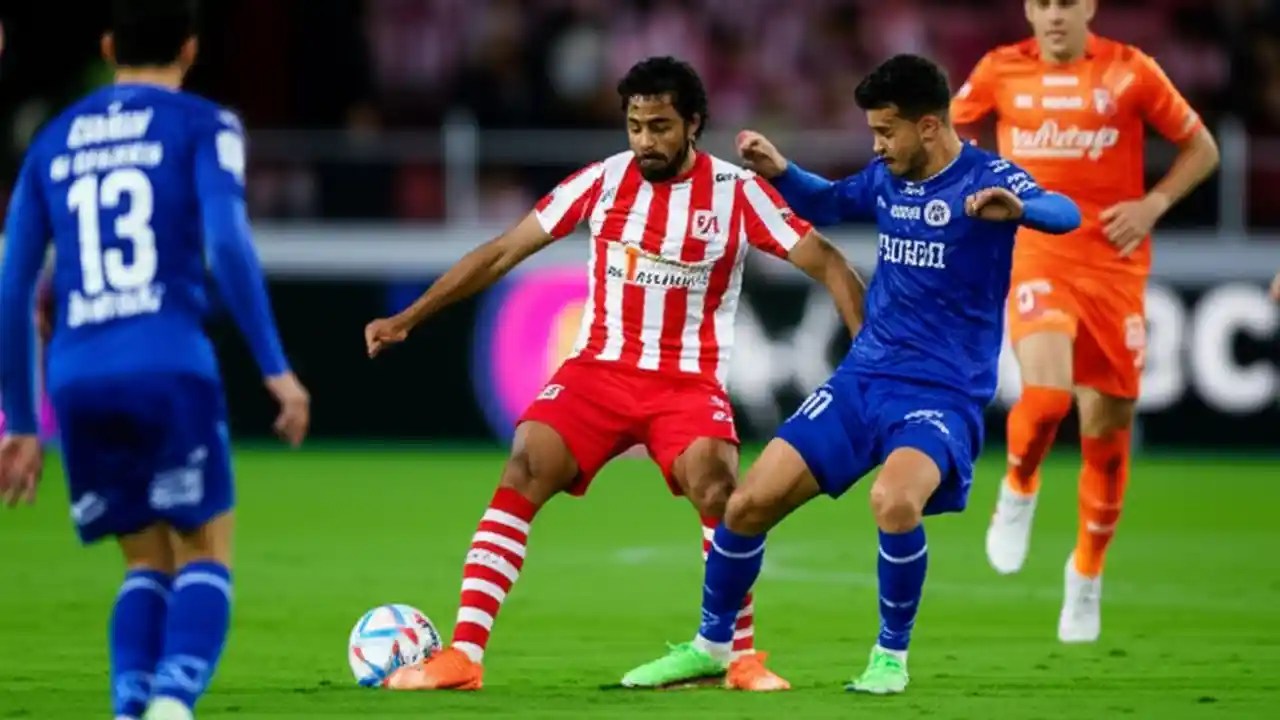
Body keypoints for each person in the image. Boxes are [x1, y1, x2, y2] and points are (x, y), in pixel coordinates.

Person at [364, 56, 866, 691]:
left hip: (686, 382)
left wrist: (866, 359)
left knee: (718, 489)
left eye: (659, 126)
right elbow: (502, 251)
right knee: (525, 464)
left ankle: (737, 657)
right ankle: (463, 655)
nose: (645, 141)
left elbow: (829, 264)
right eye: (634, 126)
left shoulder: (736, 193)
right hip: (599, 371)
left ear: (694, 124)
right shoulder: (603, 181)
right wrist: (409, 317)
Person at [620, 53, 1081, 694]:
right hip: (862, 381)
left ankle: (890, 657)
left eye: (885, 131)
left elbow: (1067, 212)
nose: (876, 144)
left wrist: (1021, 209)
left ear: (927, 126)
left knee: (893, 501)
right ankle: (710, 646)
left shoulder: (987, 179)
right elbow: (829, 204)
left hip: (940, 395)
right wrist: (782, 171)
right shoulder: (889, 177)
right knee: (747, 504)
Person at [0, 2, 310, 719]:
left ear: (108, 46)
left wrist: (21, 419)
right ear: (192, 50)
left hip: (77, 376)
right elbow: (228, 244)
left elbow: (15, 282)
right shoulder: (204, 124)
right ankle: (172, 702)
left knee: (145, 562)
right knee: (205, 552)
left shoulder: (53, 138)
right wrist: (275, 367)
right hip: (169, 364)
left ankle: (130, 708)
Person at [951, 0, 1220, 642]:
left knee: (1106, 433)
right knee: (1044, 398)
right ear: (1028, 9)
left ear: (1089, 7)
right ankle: (1017, 487)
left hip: (1115, 267)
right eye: (1041, 3)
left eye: (1066, 3)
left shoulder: (1131, 72)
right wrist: (978, 189)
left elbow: (1201, 147)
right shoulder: (997, 70)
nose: (1053, 15)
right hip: (1038, 252)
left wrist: (1153, 203)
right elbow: (949, 135)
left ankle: (1086, 575)